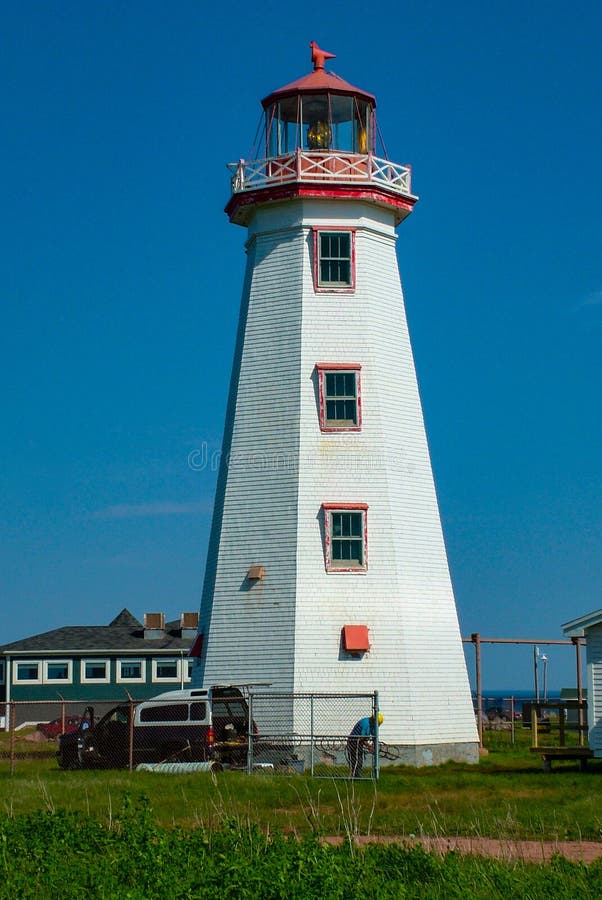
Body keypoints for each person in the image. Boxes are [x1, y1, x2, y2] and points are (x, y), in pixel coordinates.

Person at [346, 712, 383, 777]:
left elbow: (374, 736)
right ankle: (355, 776)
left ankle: (356, 775)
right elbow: (361, 738)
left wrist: (374, 746)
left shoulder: (372, 725)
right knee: (356, 760)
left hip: (360, 742)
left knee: (359, 760)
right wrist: (369, 746)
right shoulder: (365, 723)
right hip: (354, 742)